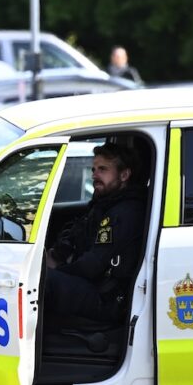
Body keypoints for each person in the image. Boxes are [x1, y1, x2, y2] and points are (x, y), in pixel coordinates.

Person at [44, 139, 148, 334]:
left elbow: (93, 266)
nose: (95, 175)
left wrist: (58, 268)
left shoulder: (124, 212)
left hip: (107, 296)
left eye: (103, 169)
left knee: (39, 281)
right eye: (93, 170)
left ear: (124, 175)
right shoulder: (104, 204)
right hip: (96, 285)